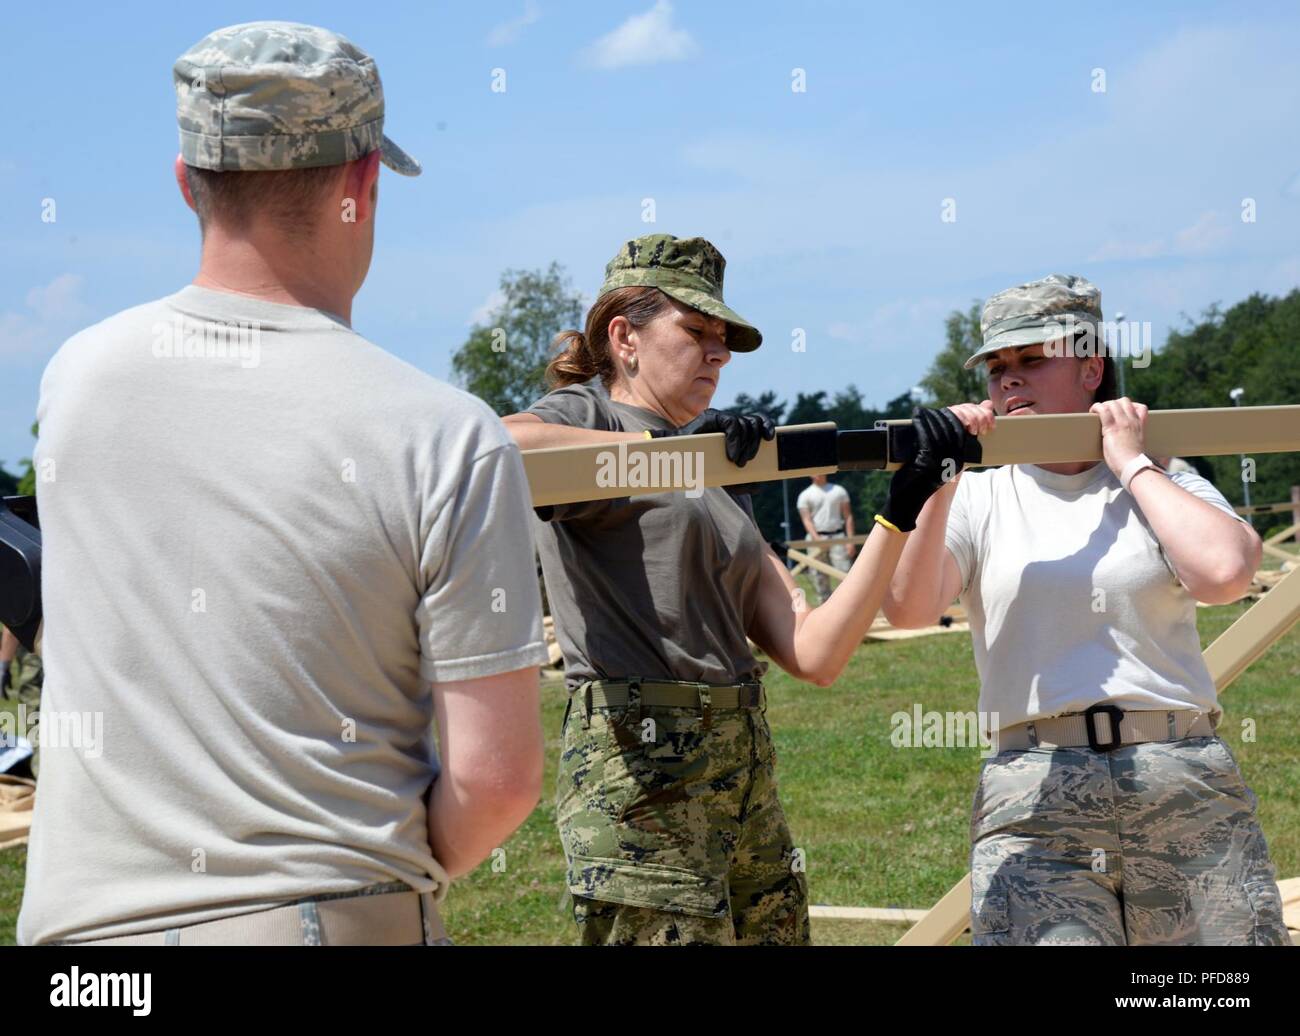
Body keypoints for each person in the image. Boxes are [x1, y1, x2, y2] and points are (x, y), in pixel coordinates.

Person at [17, 21, 548, 946]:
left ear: (187, 182)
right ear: (364, 182)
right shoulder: (442, 435)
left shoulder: (75, 381)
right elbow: (496, 781)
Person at [503, 233, 970, 945]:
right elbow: (501, 445)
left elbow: (817, 653)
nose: (718, 355)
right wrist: (676, 452)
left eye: (724, 340)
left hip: (742, 787)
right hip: (642, 788)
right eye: (695, 333)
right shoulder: (585, 416)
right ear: (623, 336)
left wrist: (899, 512)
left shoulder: (721, 467)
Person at [883, 273, 1289, 945]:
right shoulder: (982, 499)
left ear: (1092, 368)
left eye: (1032, 359)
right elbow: (910, 608)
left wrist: (1130, 464)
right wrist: (940, 478)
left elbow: (1224, 573)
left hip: (1180, 775)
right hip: (1038, 794)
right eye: (997, 368)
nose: (1010, 380)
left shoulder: (1161, 476)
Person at [796, 474, 856, 603]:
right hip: (815, 537)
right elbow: (806, 520)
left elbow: (848, 516)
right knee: (818, 575)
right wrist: (817, 539)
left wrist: (850, 541)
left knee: (844, 572)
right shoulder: (805, 495)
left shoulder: (839, 491)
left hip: (838, 536)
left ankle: (847, 603)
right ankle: (824, 604)